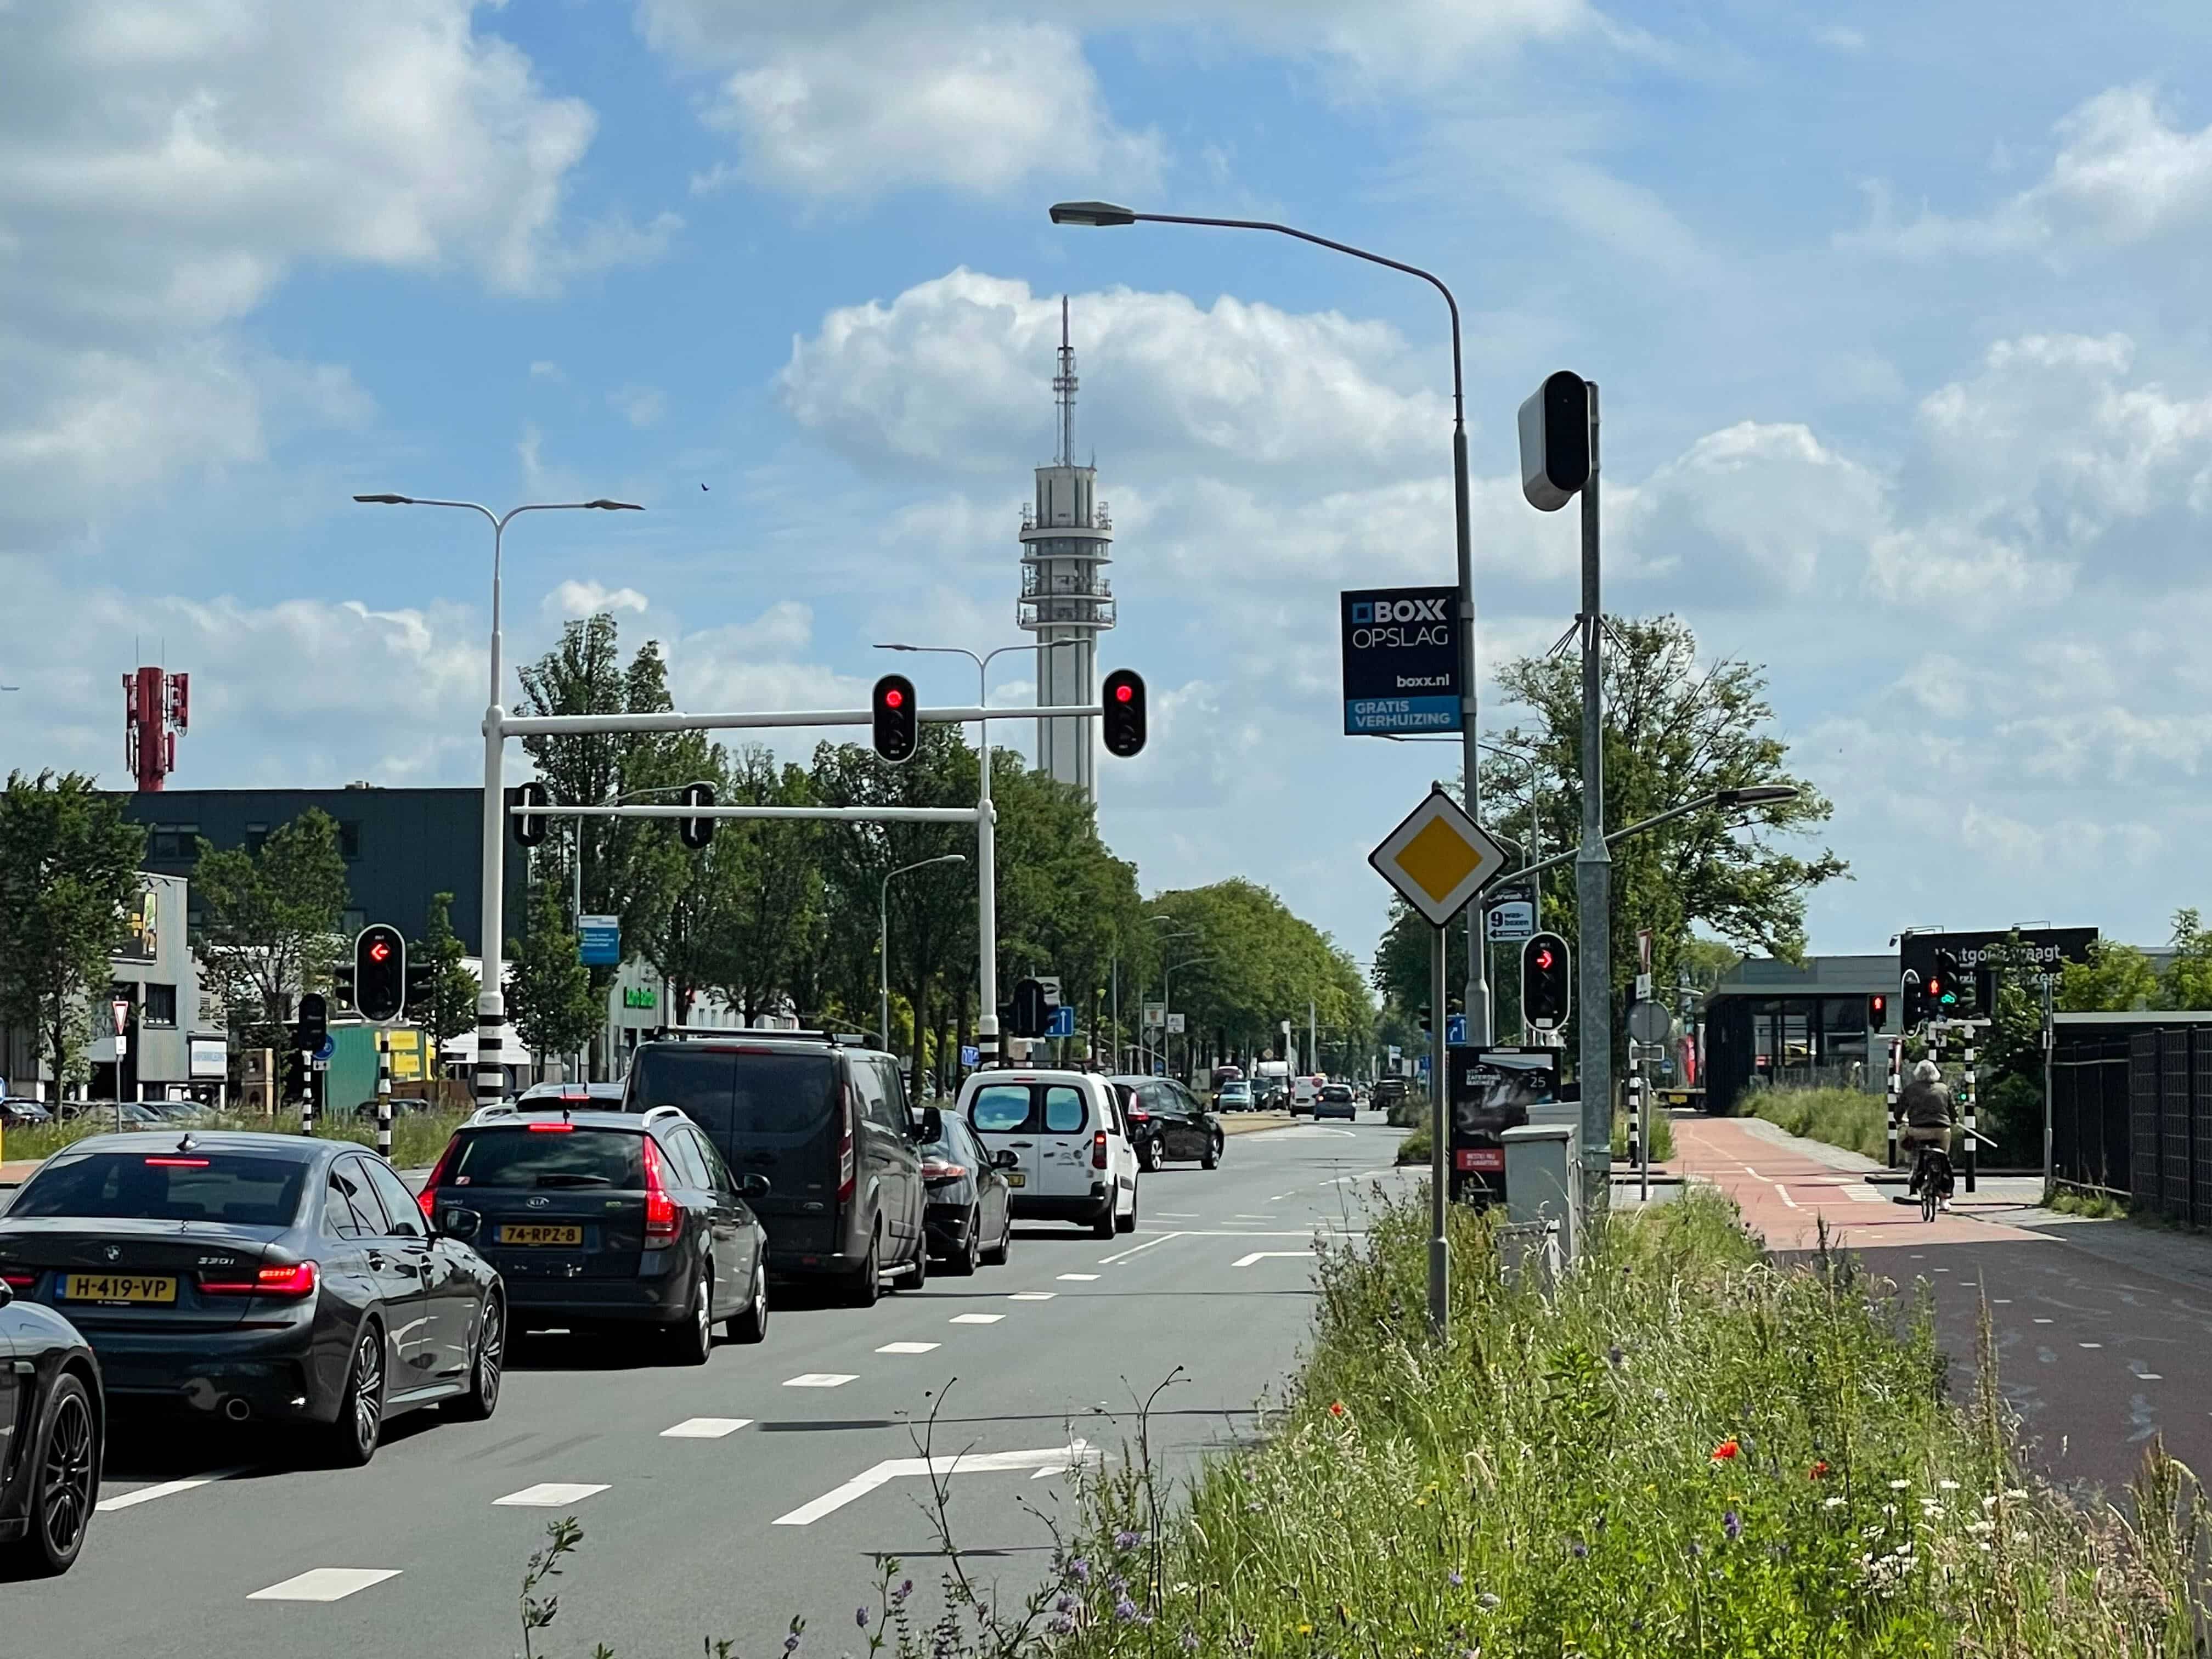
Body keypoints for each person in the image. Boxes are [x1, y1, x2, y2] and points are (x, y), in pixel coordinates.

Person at [1898, 1058, 1953, 1207]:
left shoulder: (1910, 1089)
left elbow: (1899, 1111)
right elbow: (1952, 1112)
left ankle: (1915, 1170)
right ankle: (1945, 1198)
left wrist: (1899, 1120)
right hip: (1941, 1130)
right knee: (1943, 1159)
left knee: (1908, 1141)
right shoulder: (1944, 1089)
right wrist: (1953, 1120)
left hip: (1918, 1130)